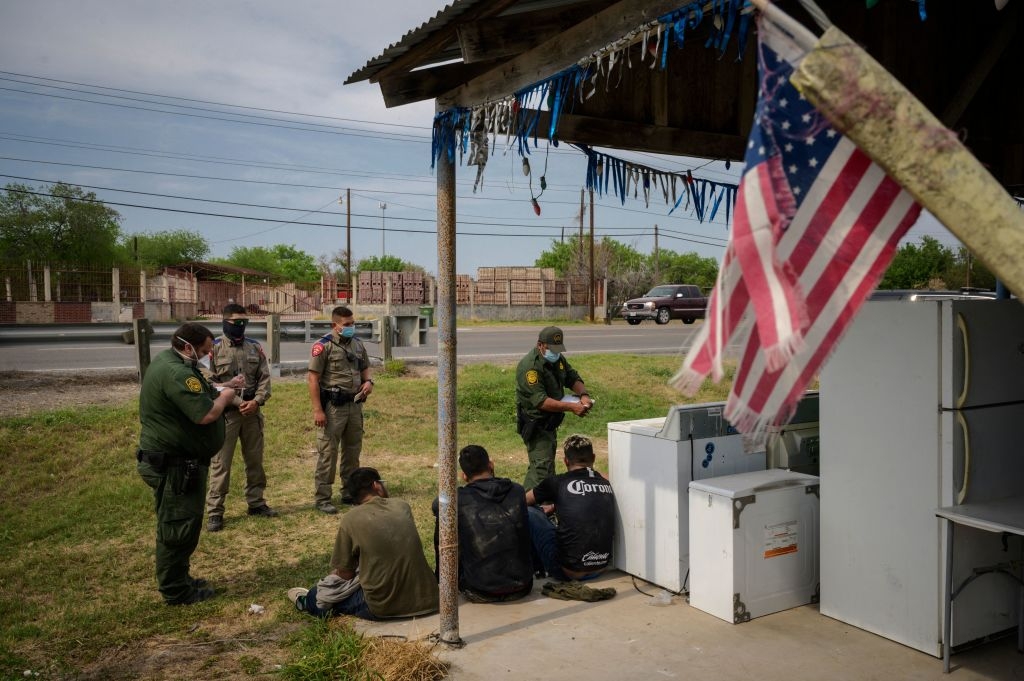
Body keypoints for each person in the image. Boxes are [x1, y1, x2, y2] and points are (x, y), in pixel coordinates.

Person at [136, 323, 237, 605]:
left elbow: (200, 392)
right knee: (177, 528)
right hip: (173, 465)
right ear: (187, 346)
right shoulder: (177, 372)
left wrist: (221, 388)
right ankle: (176, 591)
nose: (207, 355)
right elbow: (205, 414)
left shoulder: (173, 362)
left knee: (183, 525)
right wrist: (226, 397)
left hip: (180, 462)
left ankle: (180, 578)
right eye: (204, 351)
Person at [288, 467, 439, 620]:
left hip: (383, 607)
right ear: (376, 485)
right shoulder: (402, 505)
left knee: (318, 595)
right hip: (428, 599)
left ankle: (306, 601)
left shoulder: (350, 519)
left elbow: (346, 575)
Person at [202, 303, 276, 532]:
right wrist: (237, 401)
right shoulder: (212, 349)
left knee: (254, 461)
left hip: (252, 413)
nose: (241, 327)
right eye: (237, 323)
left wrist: (256, 401)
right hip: (227, 415)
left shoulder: (255, 347)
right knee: (221, 464)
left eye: (245, 323)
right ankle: (215, 511)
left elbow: (265, 378)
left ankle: (256, 503)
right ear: (225, 322)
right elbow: (209, 383)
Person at [431, 445, 533, 603]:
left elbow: (436, 505)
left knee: (444, 520)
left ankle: (443, 579)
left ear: (464, 476)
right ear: (491, 466)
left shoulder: (457, 499)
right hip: (523, 586)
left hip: (479, 590)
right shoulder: (517, 490)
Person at [307, 306, 374, 514]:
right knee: (328, 452)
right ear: (334, 325)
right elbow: (313, 379)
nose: (351, 327)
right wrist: (318, 410)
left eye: (353, 324)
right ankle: (323, 497)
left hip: (354, 405)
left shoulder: (358, 344)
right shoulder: (323, 346)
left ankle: (349, 491)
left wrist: (368, 382)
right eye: (346, 325)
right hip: (333, 407)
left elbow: (365, 367)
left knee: (352, 451)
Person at [526, 434, 615, 582]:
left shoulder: (556, 482)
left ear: (566, 461)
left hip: (569, 572)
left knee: (530, 512)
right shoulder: (607, 482)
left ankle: (535, 567)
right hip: (601, 568)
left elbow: (523, 501)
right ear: (593, 458)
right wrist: (556, 506)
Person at [515, 326, 594, 490]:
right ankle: (527, 507)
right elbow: (541, 402)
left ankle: (540, 507)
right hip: (536, 424)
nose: (556, 353)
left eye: (558, 349)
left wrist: (583, 395)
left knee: (545, 466)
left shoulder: (557, 359)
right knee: (542, 470)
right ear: (540, 345)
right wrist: (572, 407)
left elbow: (572, 377)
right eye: (552, 349)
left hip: (549, 423)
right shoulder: (530, 368)